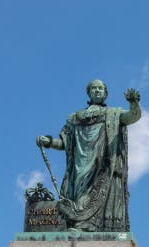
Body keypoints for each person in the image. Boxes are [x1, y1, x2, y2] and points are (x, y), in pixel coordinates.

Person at [37, 80, 141, 232]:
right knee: (79, 197)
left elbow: (132, 116)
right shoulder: (75, 118)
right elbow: (66, 143)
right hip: (81, 167)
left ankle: (87, 227)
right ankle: (77, 224)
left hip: (104, 166)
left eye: (101, 88)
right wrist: (49, 141)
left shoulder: (113, 114)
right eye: (94, 88)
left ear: (105, 94)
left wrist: (134, 103)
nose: (97, 91)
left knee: (101, 194)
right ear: (89, 92)